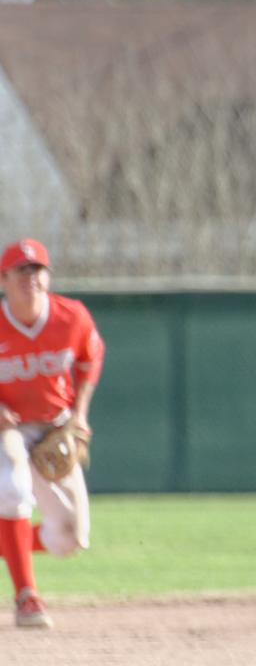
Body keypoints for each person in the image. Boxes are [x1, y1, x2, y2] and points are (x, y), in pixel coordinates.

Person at [0, 239, 104, 628]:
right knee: (12, 488)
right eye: (21, 270)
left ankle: (9, 541)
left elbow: (90, 359)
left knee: (69, 537)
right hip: (8, 427)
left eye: (38, 269)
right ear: (4, 279)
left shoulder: (71, 317)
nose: (31, 277)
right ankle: (27, 596)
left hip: (53, 426)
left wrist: (80, 414)